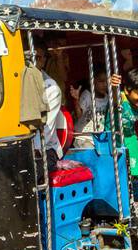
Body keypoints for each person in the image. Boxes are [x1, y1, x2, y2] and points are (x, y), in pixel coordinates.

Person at [31, 37, 67, 177]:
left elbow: (45, 130)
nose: (31, 62)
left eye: (37, 57)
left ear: (43, 60)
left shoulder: (51, 88)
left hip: (45, 149)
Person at [69, 69, 110, 138]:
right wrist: (76, 100)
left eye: (107, 81)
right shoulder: (87, 95)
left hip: (98, 137)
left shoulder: (107, 97)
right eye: (101, 81)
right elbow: (79, 114)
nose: (105, 84)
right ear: (92, 82)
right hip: (83, 137)